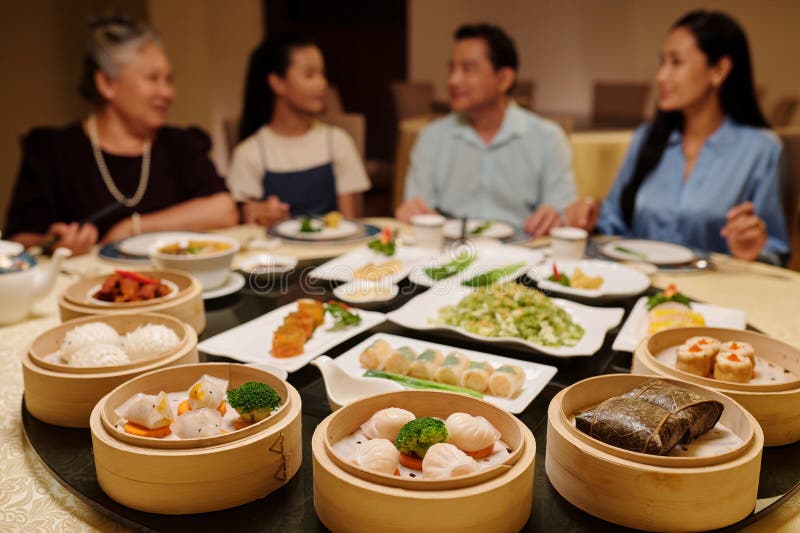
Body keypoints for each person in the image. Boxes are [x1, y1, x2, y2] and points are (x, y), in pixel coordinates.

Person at [566, 10, 789, 263]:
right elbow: (613, 224)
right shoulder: (646, 138)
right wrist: (589, 220)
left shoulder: (760, 150)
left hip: (715, 295)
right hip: (639, 288)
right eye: (662, 62)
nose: (661, 76)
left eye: (676, 62)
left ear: (719, 70)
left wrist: (752, 249)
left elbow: (776, 250)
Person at [4, 17, 238, 256]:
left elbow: (224, 209)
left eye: (169, 80)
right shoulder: (52, 150)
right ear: (106, 83)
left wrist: (131, 228)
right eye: (152, 78)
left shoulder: (179, 144)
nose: (168, 93)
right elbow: (18, 238)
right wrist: (52, 243)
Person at [395, 23, 576, 236]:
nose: (453, 80)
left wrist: (556, 216)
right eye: (451, 68)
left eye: (468, 69)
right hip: (451, 254)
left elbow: (563, 212)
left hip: (524, 252)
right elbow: (417, 210)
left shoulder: (547, 138)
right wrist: (412, 212)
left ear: (503, 79)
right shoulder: (432, 137)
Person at [227, 33, 370, 227]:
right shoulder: (250, 153)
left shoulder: (337, 142)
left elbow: (351, 223)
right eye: (310, 74)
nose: (322, 83)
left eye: (322, 73)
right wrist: (261, 214)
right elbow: (248, 230)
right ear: (277, 82)